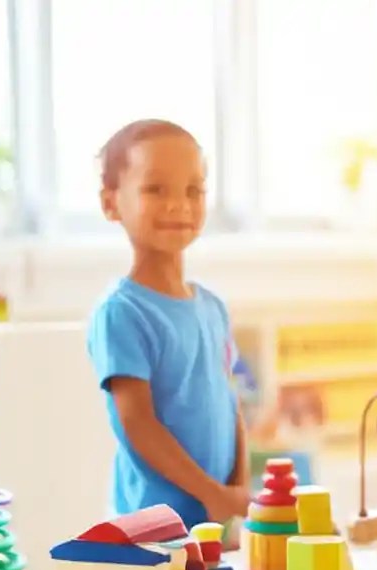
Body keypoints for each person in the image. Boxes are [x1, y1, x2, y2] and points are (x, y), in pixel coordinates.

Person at [86, 119, 251, 528]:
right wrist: (213, 494)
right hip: (152, 527)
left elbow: (230, 405)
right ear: (110, 203)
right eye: (155, 189)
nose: (179, 204)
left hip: (214, 521)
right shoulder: (121, 312)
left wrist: (236, 493)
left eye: (193, 190)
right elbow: (138, 424)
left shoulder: (213, 307)